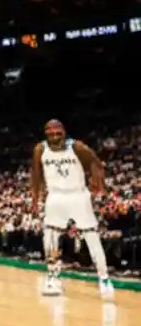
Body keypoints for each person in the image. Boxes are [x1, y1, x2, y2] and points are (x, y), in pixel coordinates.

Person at [30, 119, 113, 300]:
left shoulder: (76, 146)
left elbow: (96, 162)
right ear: (46, 134)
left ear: (64, 132)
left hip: (78, 195)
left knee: (91, 236)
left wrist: (97, 182)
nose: (55, 137)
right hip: (56, 196)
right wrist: (35, 198)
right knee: (50, 238)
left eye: (58, 133)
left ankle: (104, 278)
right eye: (51, 134)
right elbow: (36, 175)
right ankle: (53, 276)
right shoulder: (40, 150)